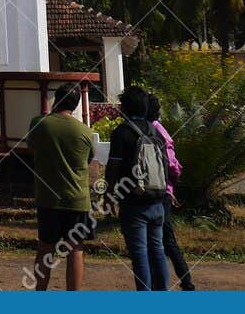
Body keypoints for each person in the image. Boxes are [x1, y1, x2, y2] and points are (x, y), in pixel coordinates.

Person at [24, 83, 99, 290]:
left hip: (48, 197)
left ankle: (41, 291)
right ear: (75, 105)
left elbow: (31, 146)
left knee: (45, 247)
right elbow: (89, 158)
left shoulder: (39, 123)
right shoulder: (84, 131)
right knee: (75, 248)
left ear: (55, 99)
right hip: (77, 199)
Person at [106, 85, 172, 291]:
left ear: (125, 107)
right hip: (157, 199)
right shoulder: (156, 132)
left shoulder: (122, 132)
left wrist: (109, 194)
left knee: (140, 253)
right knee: (158, 250)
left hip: (134, 201)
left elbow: (113, 166)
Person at [147, 93, 195, 290]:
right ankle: (184, 280)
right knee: (164, 239)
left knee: (164, 240)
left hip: (160, 192)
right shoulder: (160, 129)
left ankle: (186, 282)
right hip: (165, 190)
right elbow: (174, 166)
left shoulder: (153, 131)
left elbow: (172, 165)